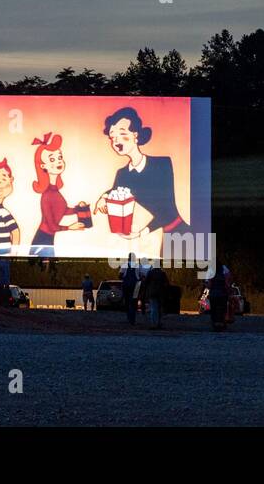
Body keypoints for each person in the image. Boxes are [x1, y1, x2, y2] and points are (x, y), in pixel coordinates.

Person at [96, 107, 186, 244]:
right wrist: (103, 198)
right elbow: (115, 190)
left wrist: (139, 233)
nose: (116, 141)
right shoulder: (123, 174)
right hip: (165, 235)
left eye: (122, 133)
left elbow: (167, 211)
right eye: (113, 137)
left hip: (182, 231)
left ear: (136, 135)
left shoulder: (162, 164)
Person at [28, 132, 89, 257]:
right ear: (43, 166)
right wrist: (70, 227)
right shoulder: (47, 195)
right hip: (42, 239)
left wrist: (78, 208)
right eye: (52, 159)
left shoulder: (55, 191)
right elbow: (51, 226)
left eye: (59, 157)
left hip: (47, 239)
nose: (58, 162)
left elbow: (63, 211)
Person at [141, 264, 169, 328]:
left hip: (152, 292)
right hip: (160, 293)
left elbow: (146, 283)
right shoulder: (162, 273)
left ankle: (153, 323)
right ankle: (159, 322)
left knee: (153, 308)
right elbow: (167, 283)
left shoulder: (150, 273)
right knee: (159, 308)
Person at [206, 263, 230, 330]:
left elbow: (209, 285)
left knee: (213, 310)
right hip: (223, 294)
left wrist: (206, 285)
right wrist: (229, 291)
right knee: (223, 309)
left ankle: (214, 323)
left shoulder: (211, 272)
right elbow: (227, 284)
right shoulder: (224, 271)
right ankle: (223, 322)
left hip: (213, 294)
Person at [121, 257, 140, 325]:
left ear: (128, 258)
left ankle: (129, 318)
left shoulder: (124, 265)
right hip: (136, 286)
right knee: (134, 303)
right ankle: (133, 319)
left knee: (127, 302)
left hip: (126, 286)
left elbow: (120, 275)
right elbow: (140, 275)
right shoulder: (137, 265)